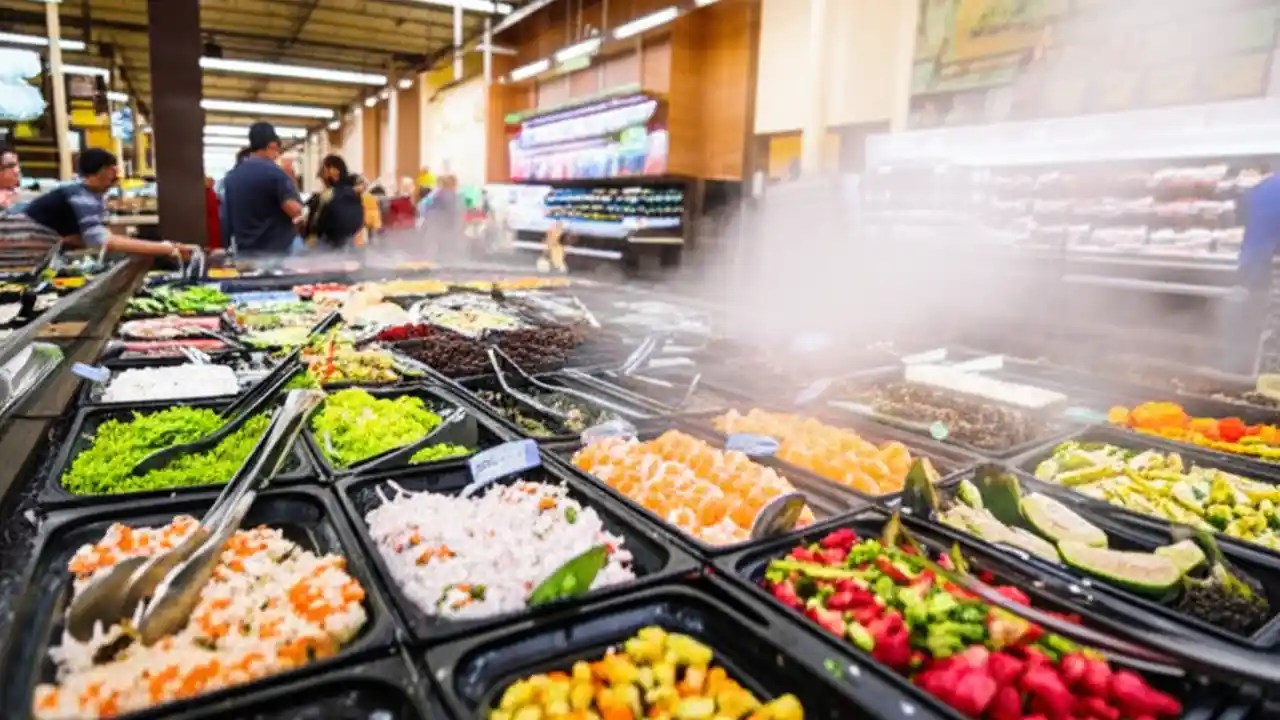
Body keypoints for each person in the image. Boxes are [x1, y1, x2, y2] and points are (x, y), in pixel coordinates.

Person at [21, 148, 196, 258]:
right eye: (113, 170)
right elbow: (103, 241)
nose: (116, 176)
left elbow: (80, 237)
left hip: (31, 247)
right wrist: (164, 249)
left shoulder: (90, 194)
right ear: (103, 171)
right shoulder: (81, 196)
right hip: (21, 248)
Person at [220, 122, 303, 255]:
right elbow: (294, 210)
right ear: (272, 145)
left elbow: (225, 220)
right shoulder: (276, 174)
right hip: (275, 256)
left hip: (245, 254)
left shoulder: (231, 177)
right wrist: (291, 178)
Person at [304, 155, 365, 250]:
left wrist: (311, 234)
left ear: (334, 170)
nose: (323, 175)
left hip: (331, 243)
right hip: (349, 243)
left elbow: (317, 220)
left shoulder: (333, 193)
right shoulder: (351, 190)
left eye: (324, 170)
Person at [355, 175, 382, 247]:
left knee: (363, 243)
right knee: (372, 241)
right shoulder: (372, 197)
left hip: (364, 223)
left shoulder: (361, 197)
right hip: (373, 223)